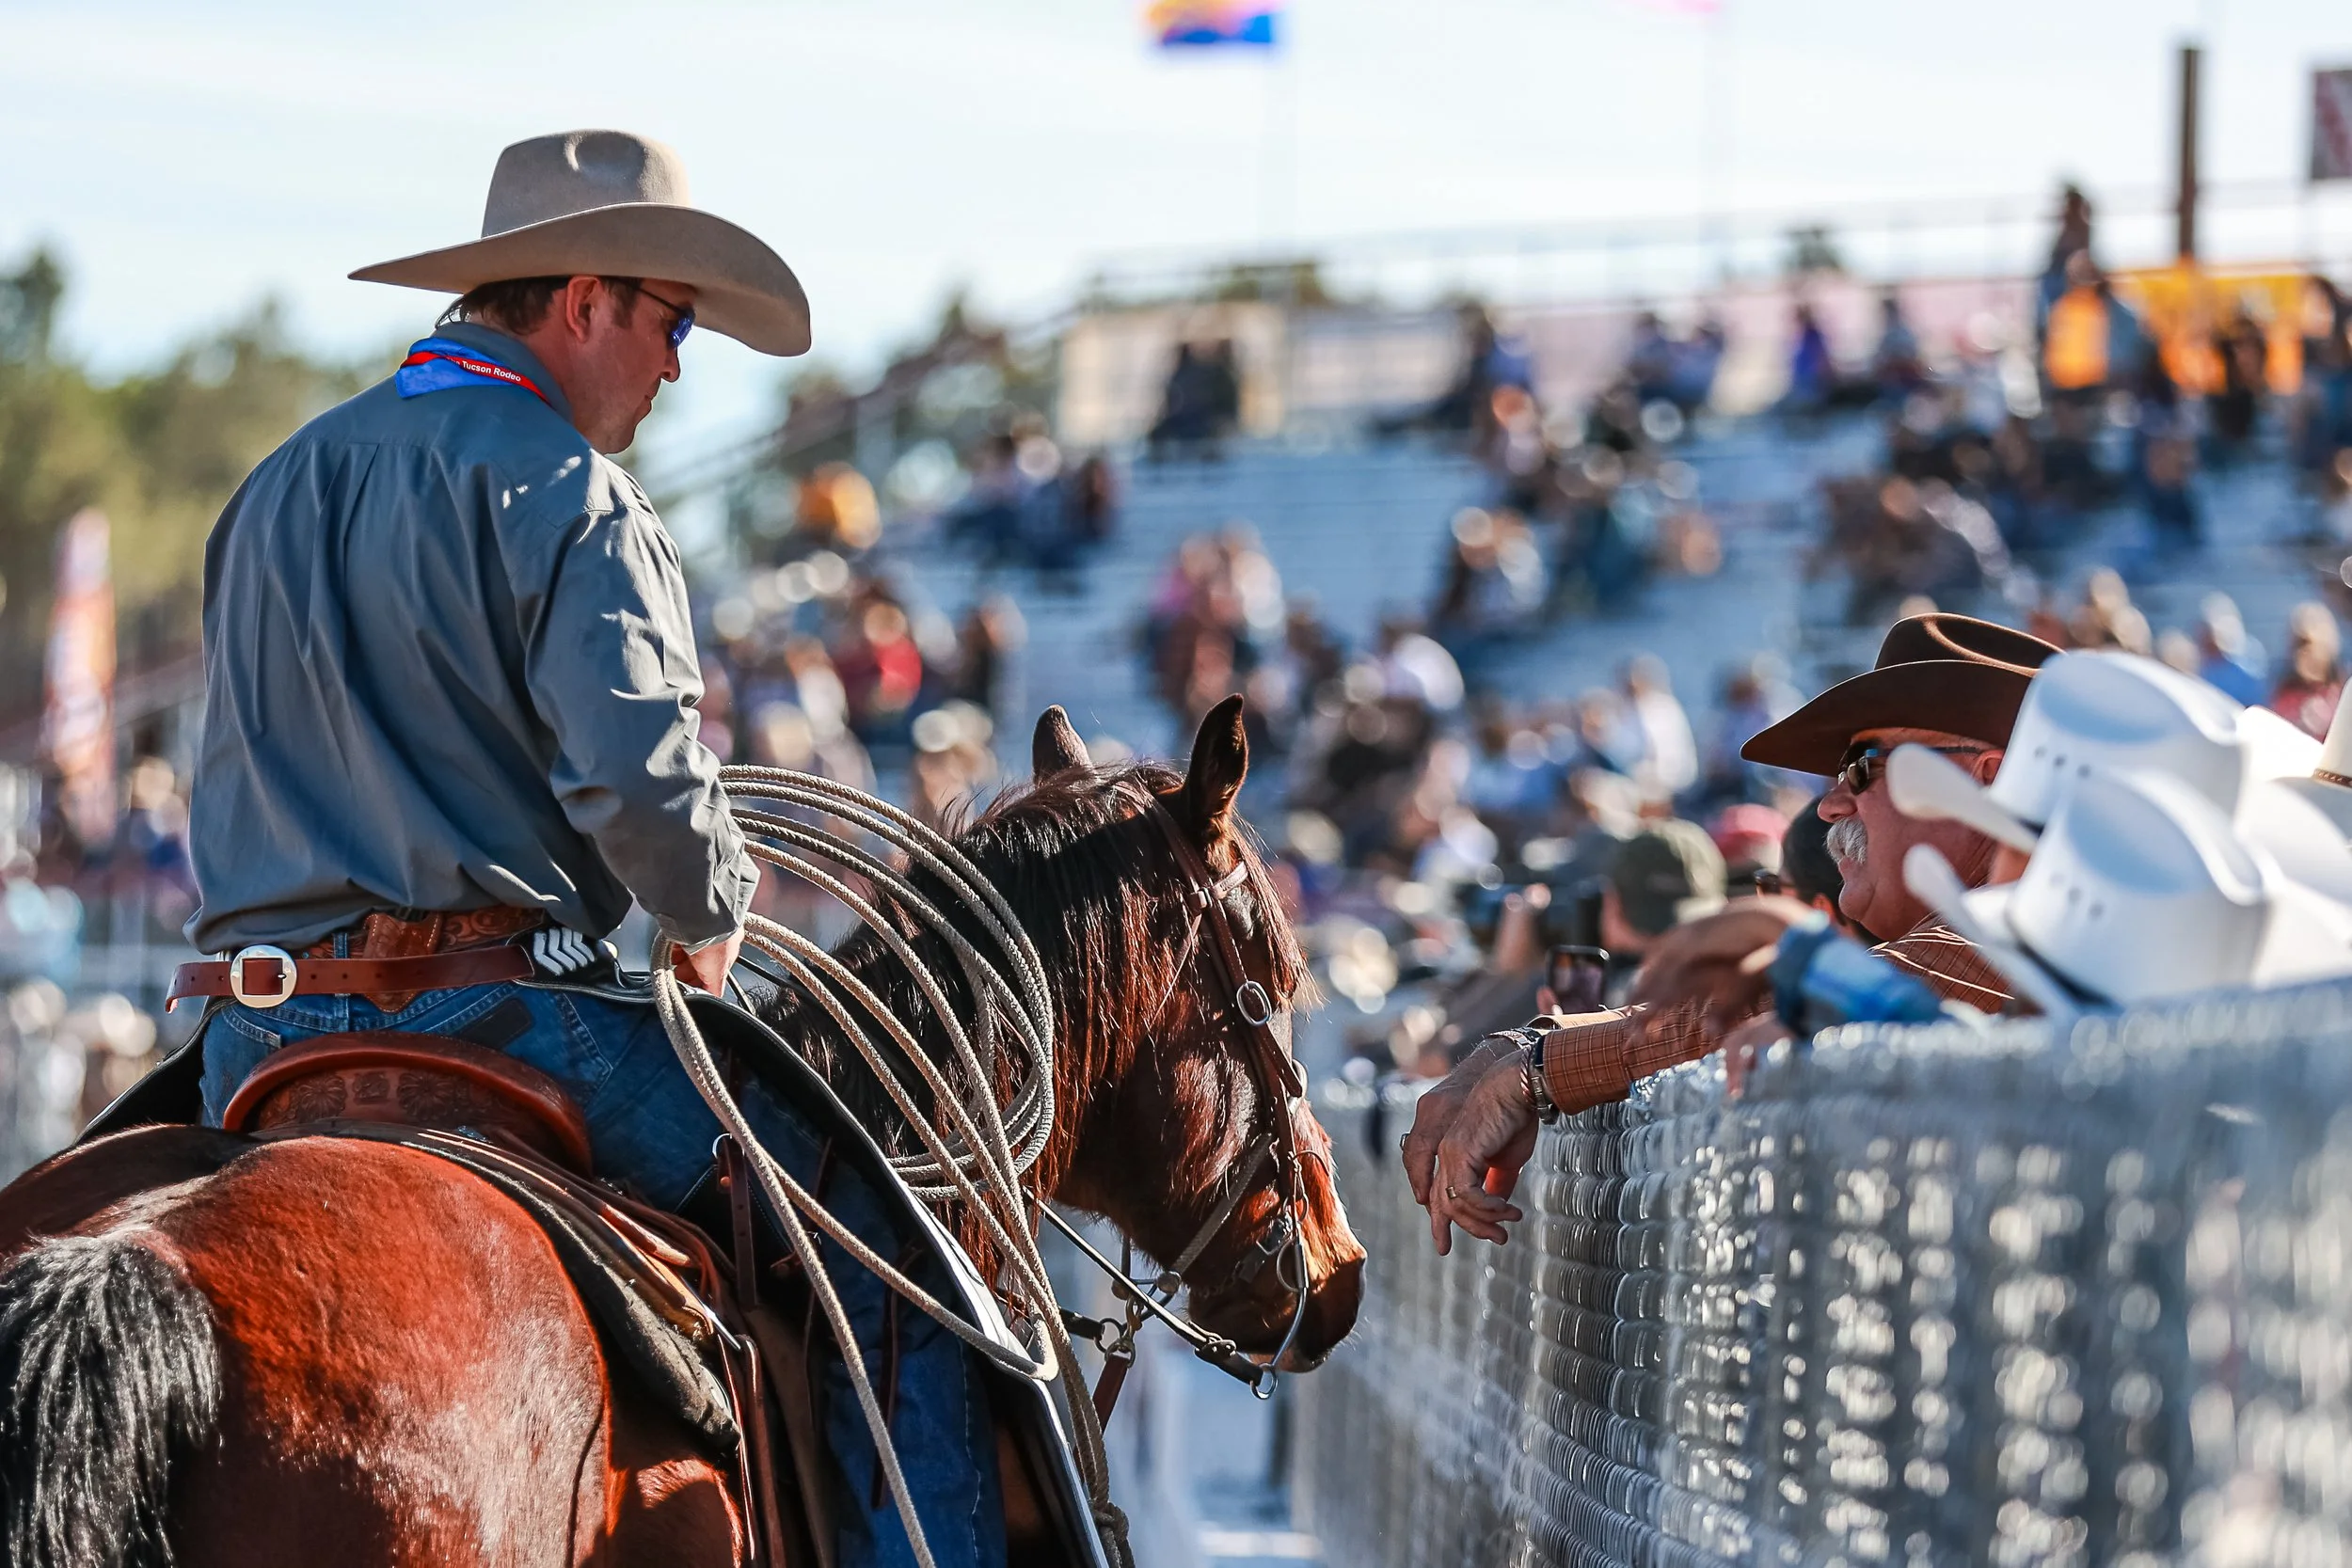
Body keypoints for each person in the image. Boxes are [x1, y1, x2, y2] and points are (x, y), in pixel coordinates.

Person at [177, 131, 1000, 1568]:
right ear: (584, 298)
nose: (679, 368)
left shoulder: (272, 486)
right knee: (882, 1232)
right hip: (506, 1014)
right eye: (672, 323)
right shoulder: (576, 496)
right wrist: (709, 910)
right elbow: (637, 784)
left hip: (254, 1035)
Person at [1401, 614, 2057, 1251]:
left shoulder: (2052, 917)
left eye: (1861, 766)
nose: (1829, 803)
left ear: (1987, 778)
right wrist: (1528, 1053)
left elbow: (1809, 1005)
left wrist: (1538, 1069)